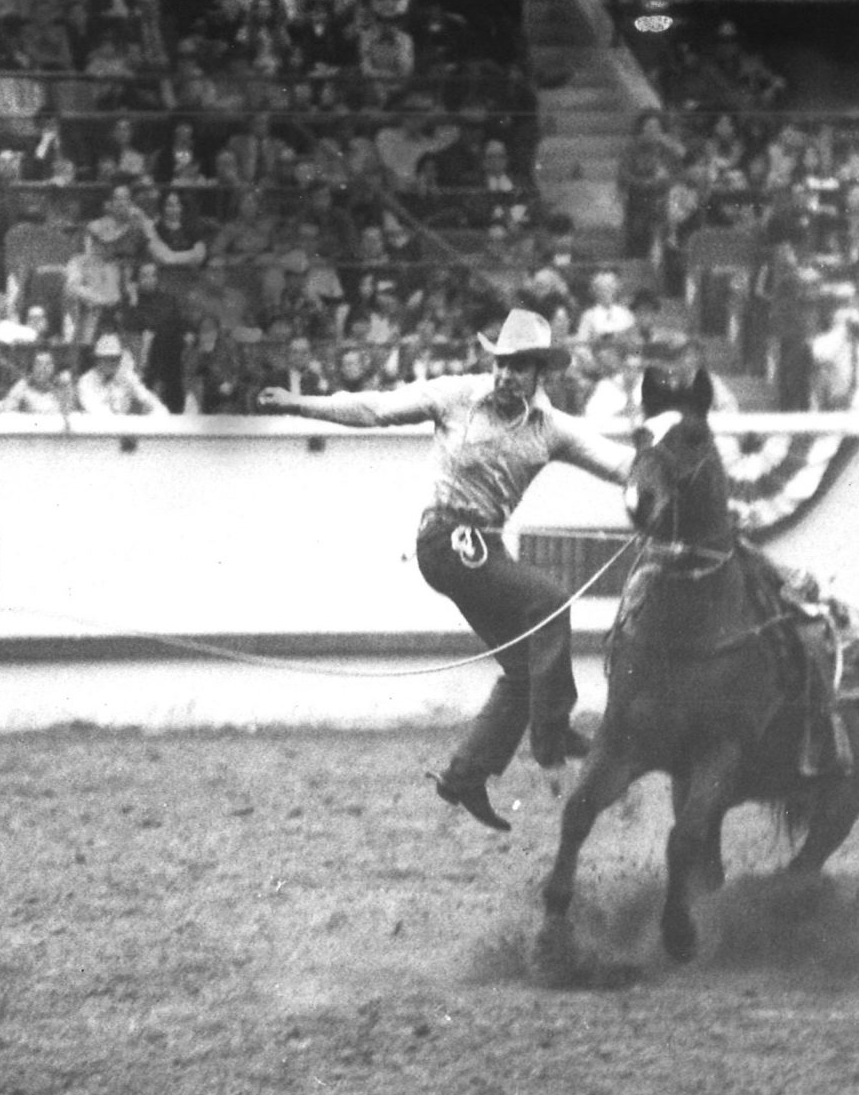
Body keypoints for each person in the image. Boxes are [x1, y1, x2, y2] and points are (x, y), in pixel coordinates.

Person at [258, 309, 633, 830]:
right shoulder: (456, 394)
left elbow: (620, 464)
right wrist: (302, 404)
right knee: (550, 603)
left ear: (539, 375)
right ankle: (553, 738)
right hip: (446, 540)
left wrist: (673, 474)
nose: (505, 376)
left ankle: (466, 777)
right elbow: (376, 409)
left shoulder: (554, 430)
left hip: (485, 547)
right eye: (501, 364)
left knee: (526, 670)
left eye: (519, 368)